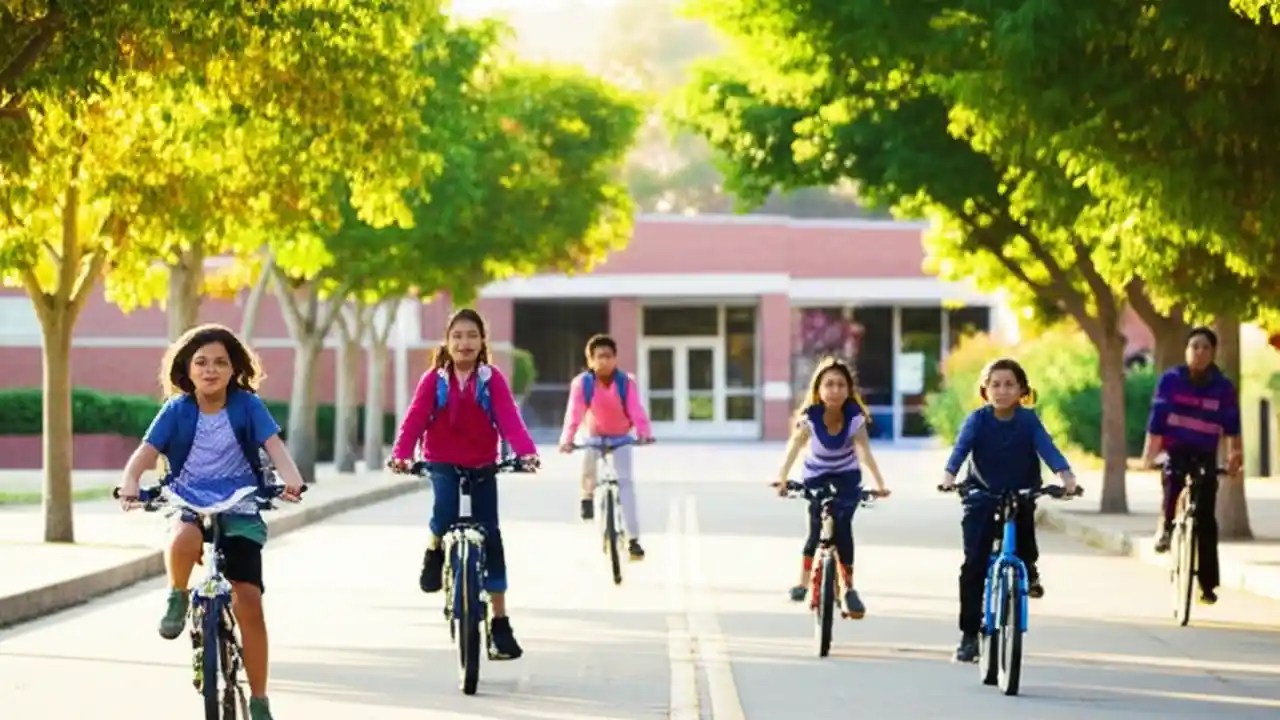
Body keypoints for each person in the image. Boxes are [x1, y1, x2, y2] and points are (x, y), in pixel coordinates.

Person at [118, 323, 304, 720]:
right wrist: (131, 481)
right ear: (187, 368)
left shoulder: (248, 406)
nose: (210, 369)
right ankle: (177, 594)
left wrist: (291, 477)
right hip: (186, 493)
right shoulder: (176, 409)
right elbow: (145, 453)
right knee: (184, 536)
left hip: (239, 499)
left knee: (249, 601)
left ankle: (258, 699)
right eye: (201, 362)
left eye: (221, 362)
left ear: (234, 368)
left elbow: (275, 448)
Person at [388, 308, 540, 660]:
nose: (464, 343)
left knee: (492, 535)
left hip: (484, 463)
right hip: (442, 460)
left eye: (472, 335)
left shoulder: (492, 379)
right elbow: (414, 420)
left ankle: (500, 622)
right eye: (457, 336)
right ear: (447, 341)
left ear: (482, 341)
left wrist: (526, 453)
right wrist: (401, 454)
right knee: (444, 513)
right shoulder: (434, 380)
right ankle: (434, 549)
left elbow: (509, 420)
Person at [941, 357, 1076, 664]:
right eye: (995, 385)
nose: (1002, 391)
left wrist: (1065, 477)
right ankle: (969, 635)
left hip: (1021, 492)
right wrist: (949, 476)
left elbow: (1048, 448)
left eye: (1009, 385)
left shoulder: (1028, 421)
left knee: (1025, 538)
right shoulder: (977, 420)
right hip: (981, 494)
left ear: (1022, 390)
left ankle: (1029, 571)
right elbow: (960, 449)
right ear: (985, 390)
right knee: (974, 565)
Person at [773, 356, 890, 619]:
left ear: (849, 390)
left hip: (847, 478)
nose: (835, 390)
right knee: (815, 530)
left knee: (844, 529)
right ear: (818, 389)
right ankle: (802, 583)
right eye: (829, 384)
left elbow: (864, 452)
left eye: (840, 385)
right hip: (816, 477)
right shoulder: (810, 418)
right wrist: (781, 477)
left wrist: (880, 485)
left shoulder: (854, 419)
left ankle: (849, 588)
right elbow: (794, 446)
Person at [1141, 326, 1242, 605]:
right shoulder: (1171, 380)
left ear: (1213, 353)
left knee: (1206, 518)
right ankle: (1167, 526)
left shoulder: (1222, 387)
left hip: (1205, 453)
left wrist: (1235, 456)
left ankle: (1207, 586)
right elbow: (1157, 420)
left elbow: (1232, 425)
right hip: (1176, 450)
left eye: (1205, 348)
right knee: (1172, 478)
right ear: (1186, 351)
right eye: (1194, 347)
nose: (1199, 352)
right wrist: (1149, 456)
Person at [559, 333, 655, 559]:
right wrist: (567, 439)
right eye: (599, 357)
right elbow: (574, 413)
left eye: (609, 356)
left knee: (626, 484)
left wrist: (644, 434)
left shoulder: (626, 382)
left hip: (621, 437)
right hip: (594, 435)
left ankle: (633, 540)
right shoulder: (582, 383)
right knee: (588, 463)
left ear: (616, 358)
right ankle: (587, 497)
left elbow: (636, 410)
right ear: (590, 360)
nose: (604, 361)